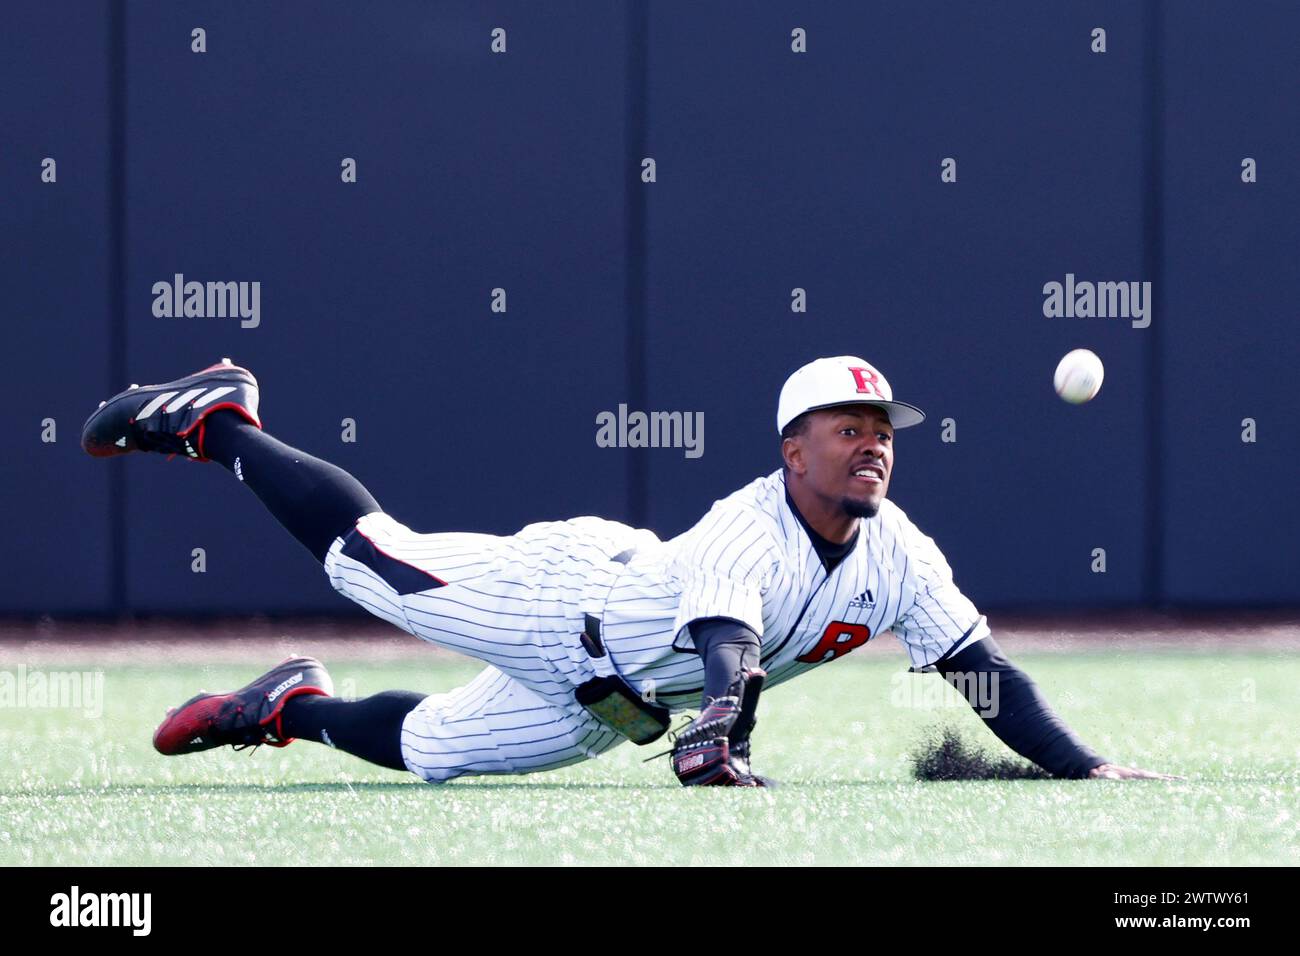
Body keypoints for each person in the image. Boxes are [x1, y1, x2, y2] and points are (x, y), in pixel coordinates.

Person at [82, 355, 1175, 786]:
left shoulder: (901, 552)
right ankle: (220, 420)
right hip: (569, 602)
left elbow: (980, 670)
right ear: (792, 450)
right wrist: (725, 728)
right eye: (848, 428)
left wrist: (1082, 766)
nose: (873, 443)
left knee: (431, 748)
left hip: (615, 704)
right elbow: (726, 642)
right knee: (377, 565)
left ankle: (290, 709)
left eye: (883, 428)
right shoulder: (749, 526)